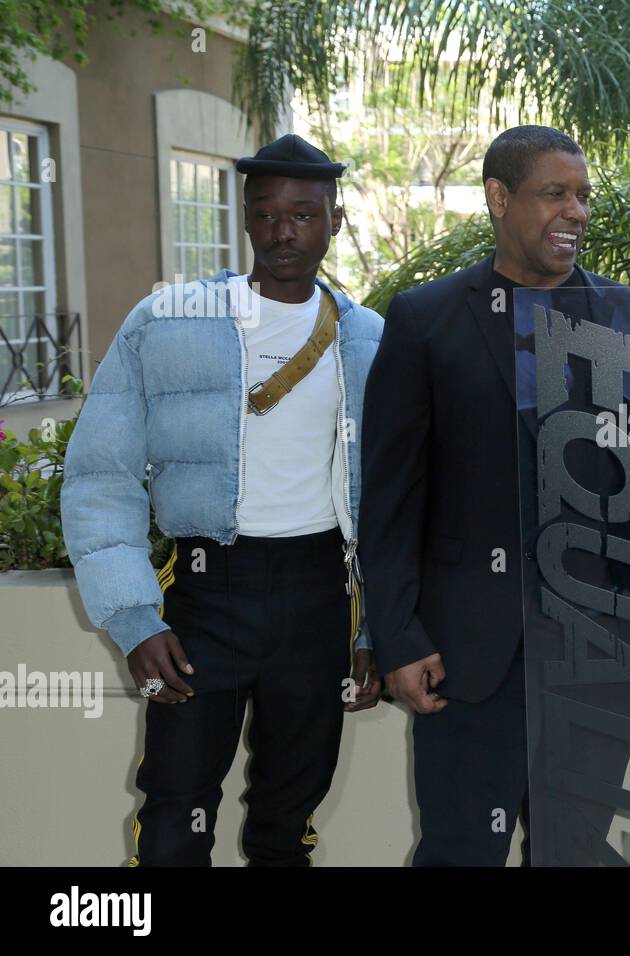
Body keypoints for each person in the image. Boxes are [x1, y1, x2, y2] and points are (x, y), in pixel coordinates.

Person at [360, 125, 630, 867]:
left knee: (572, 849)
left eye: (583, 196)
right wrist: (398, 636)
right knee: (458, 850)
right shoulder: (425, 319)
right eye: (555, 194)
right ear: (499, 198)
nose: (575, 211)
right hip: (465, 651)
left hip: (598, 641)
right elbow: (389, 498)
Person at [61, 134, 384, 866]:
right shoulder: (169, 322)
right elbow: (100, 474)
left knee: (288, 820)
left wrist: (376, 630)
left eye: (303, 214)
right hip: (205, 594)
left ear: (335, 220)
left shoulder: (367, 340)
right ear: (244, 218)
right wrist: (135, 618)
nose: (283, 232)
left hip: (319, 598)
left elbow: (395, 498)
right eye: (266, 213)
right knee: (174, 813)